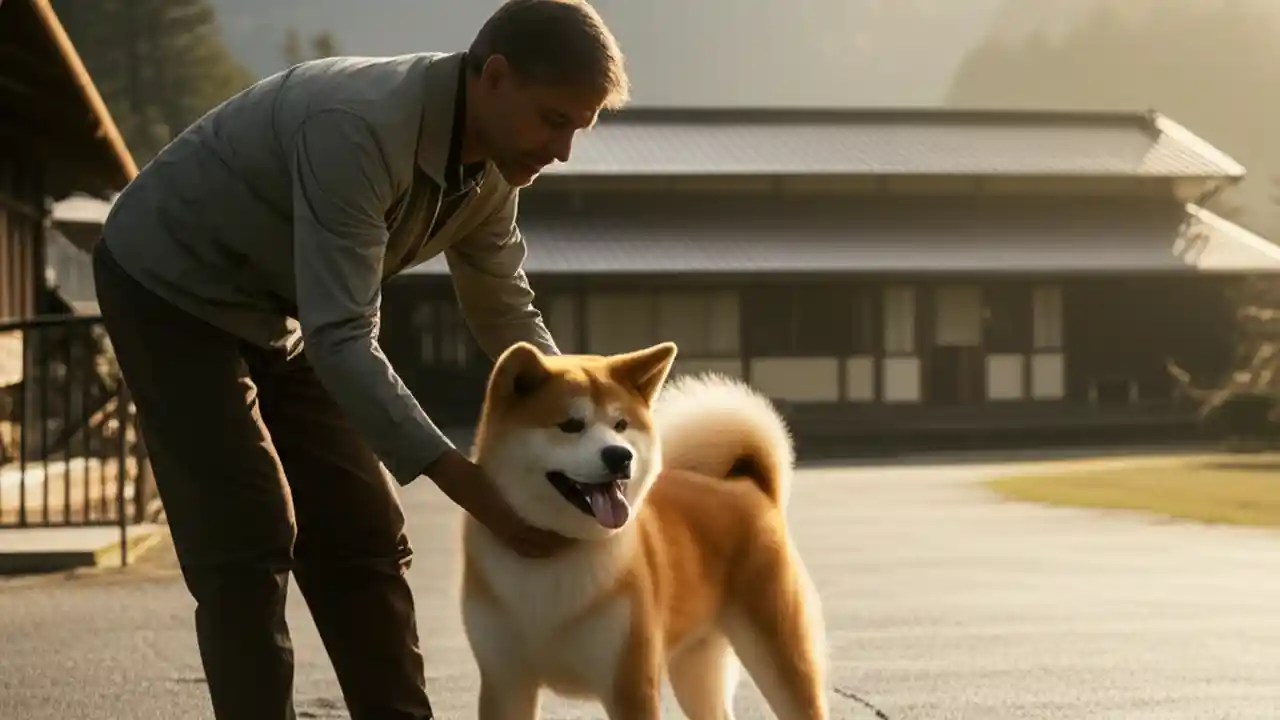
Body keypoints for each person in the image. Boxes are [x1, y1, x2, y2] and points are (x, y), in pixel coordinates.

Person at [91, 1, 629, 718]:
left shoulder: (497, 167)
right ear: (495, 77)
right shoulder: (358, 126)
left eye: (579, 130)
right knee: (248, 534)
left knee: (364, 530)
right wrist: (469, 486)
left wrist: (586, 430)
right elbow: (343, 336)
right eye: (554, 119)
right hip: (166, 286)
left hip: (283, 310)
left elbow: (504, 308)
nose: (562, 151)